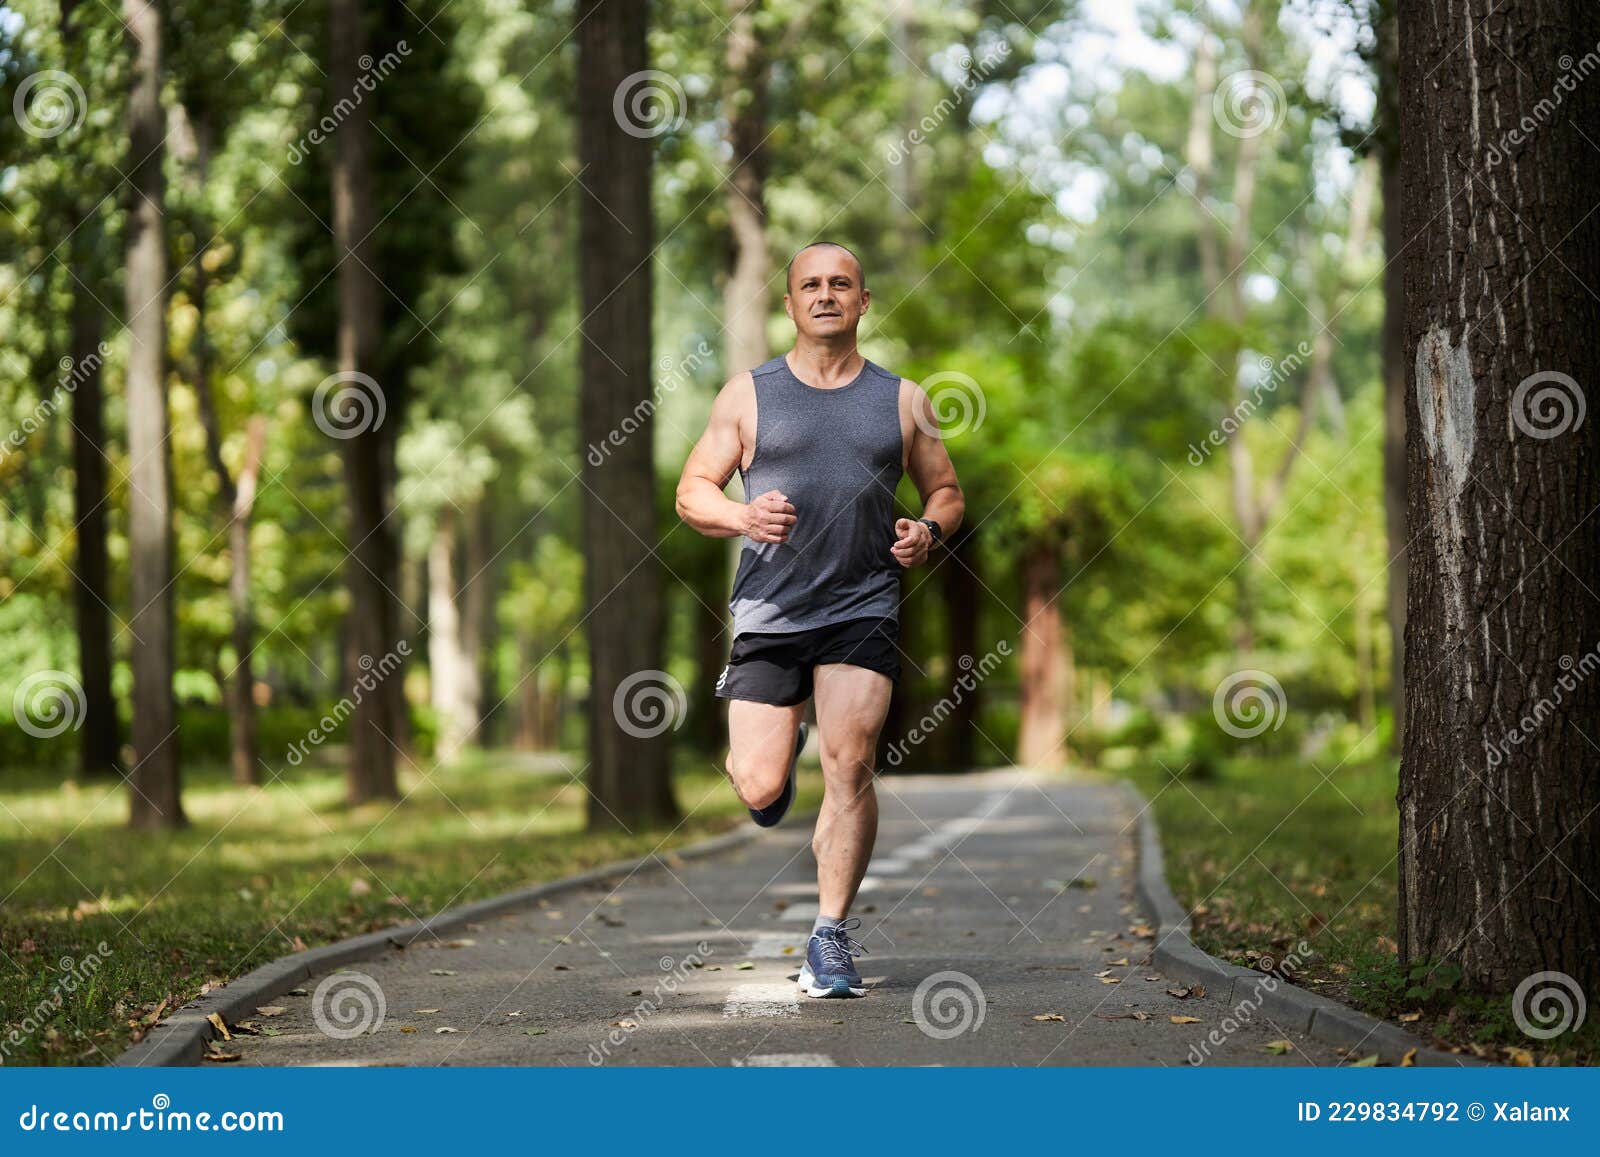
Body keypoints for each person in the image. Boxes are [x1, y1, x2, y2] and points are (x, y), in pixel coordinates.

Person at [674, 241, 965, 998]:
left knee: (851, 760)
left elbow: (947, 492)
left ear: (864, 302)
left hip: (861, 604)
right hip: (771, 610)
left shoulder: (904, 399)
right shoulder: (748, 394)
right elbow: (691, 491)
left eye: (842, 284)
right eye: (811, 284)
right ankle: (775, 761)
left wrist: (926, 531)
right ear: (790, 304)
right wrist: (741, 512)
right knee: (758, 781)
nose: (827, 294)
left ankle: (829, 936)